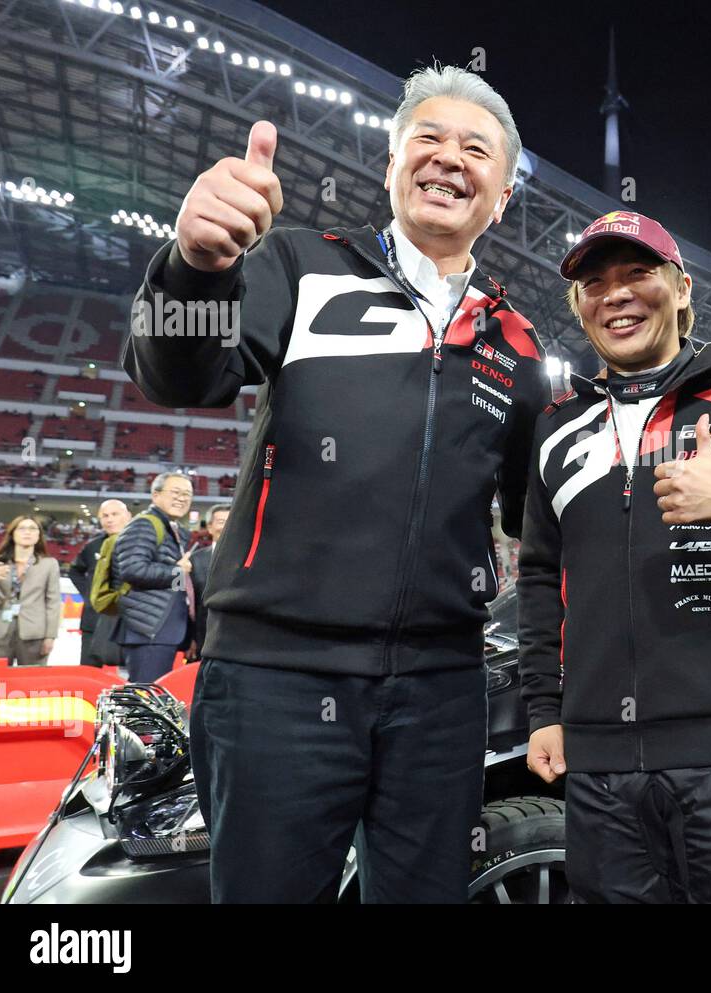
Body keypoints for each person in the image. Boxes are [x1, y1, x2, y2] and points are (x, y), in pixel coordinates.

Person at [124, 66, 548, 903]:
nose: (449, 159)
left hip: (440, 691)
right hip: (277, 678)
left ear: (499, 200)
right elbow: (179, 374)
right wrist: (195, 265)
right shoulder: (298, 265)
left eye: (477, 149)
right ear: (392, 165)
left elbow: (535, 523)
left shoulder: (520, 344)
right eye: (427, 138)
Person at [518, 211, 711, 903]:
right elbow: (540, 573)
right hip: (596, 766)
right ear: (580, 307)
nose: (615, 294)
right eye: (594, 283)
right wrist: (544, 709)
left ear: (683, 288)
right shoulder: (555, 423)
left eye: (637, 273)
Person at [112, 472, 194, 684]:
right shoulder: (144, 525)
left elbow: (175, 582)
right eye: (175, 492)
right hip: (148, 628)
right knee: (146, 696)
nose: (182, 498)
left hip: (162, 627)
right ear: (155, 495)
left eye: (187, 494)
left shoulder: (174, 530)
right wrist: (178, 571)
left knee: (153, 697)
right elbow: (132, 569)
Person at [0, 517, 62, 665]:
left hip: (35, 633)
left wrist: (50, 636)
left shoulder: (49, 564)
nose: (27, 532)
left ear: (39, 536)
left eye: (32, 529)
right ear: (12, 534)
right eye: (22, 528)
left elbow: (53, 602)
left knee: (33, 683)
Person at [67, 499, 131, 666]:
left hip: (127, 620)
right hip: (94, 619)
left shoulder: (142, 544)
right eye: (105, 516)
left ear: (128, 516)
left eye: (115, 514)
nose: (109, 519)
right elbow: (74, 571)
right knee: (89, 671)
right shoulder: (92, 546)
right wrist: (90, 594)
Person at [188, 503, 229, 660]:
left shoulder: (250, 558)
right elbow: (185, 600)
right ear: (210, 527)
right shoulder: (194, 559)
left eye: (231, 521)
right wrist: (190, 639)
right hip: (203, 638)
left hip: (240, 639)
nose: (226, 526)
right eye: (221, 522)